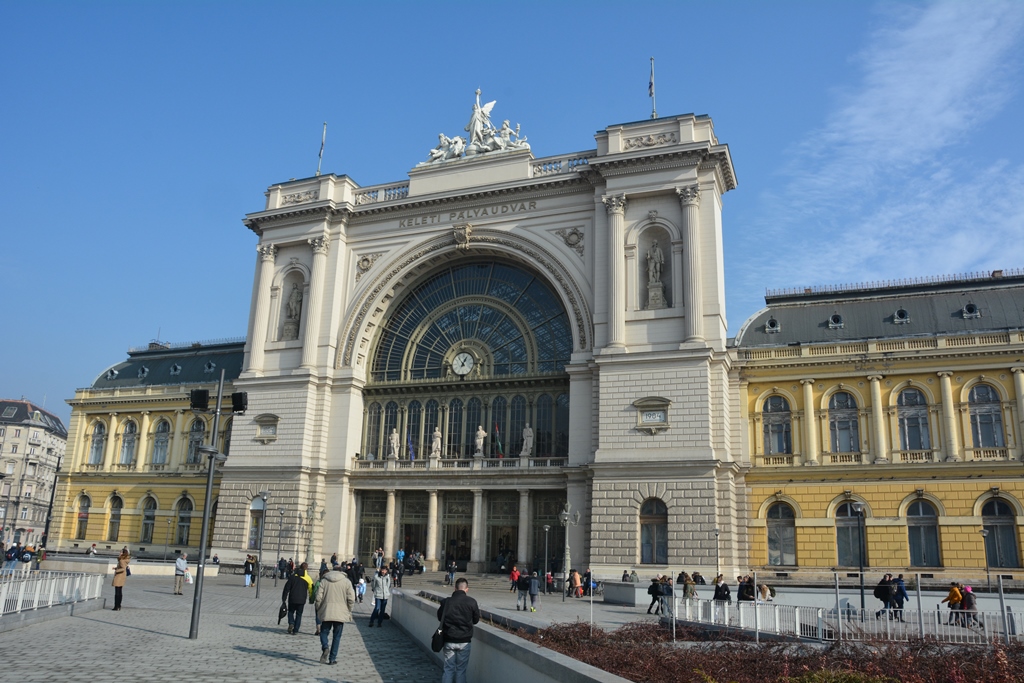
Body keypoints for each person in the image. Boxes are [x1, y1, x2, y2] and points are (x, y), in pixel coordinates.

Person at [437, 577, 480, 683]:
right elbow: (475, 620)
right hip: (464, 640)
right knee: (461, 670)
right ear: (467, 589)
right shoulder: (472, 602)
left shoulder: (446, 602)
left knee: (448, 669)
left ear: (455, 588)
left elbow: (439, 618)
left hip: (449, 639)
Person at [315, 564, 356, 665]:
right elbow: (351, 599)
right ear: (341, 571)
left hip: (327, 611)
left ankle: (325, 647)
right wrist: (349, 610)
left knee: (324, 632)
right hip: (341, 613)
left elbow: (318, 598)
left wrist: (319, 609)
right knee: (337, 636)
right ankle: (332, 658)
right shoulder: (346, 582)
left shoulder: (324, 581)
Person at [283, 565, 312, 634]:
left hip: (292, 598)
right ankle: (295, 630)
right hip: (302, 599)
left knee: (290, 612)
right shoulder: (307, 578)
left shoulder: (292, 577)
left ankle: (291, 622)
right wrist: (311, 598)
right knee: (299, 614)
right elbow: (311, 589)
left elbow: (286, 588)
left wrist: (284, 598)